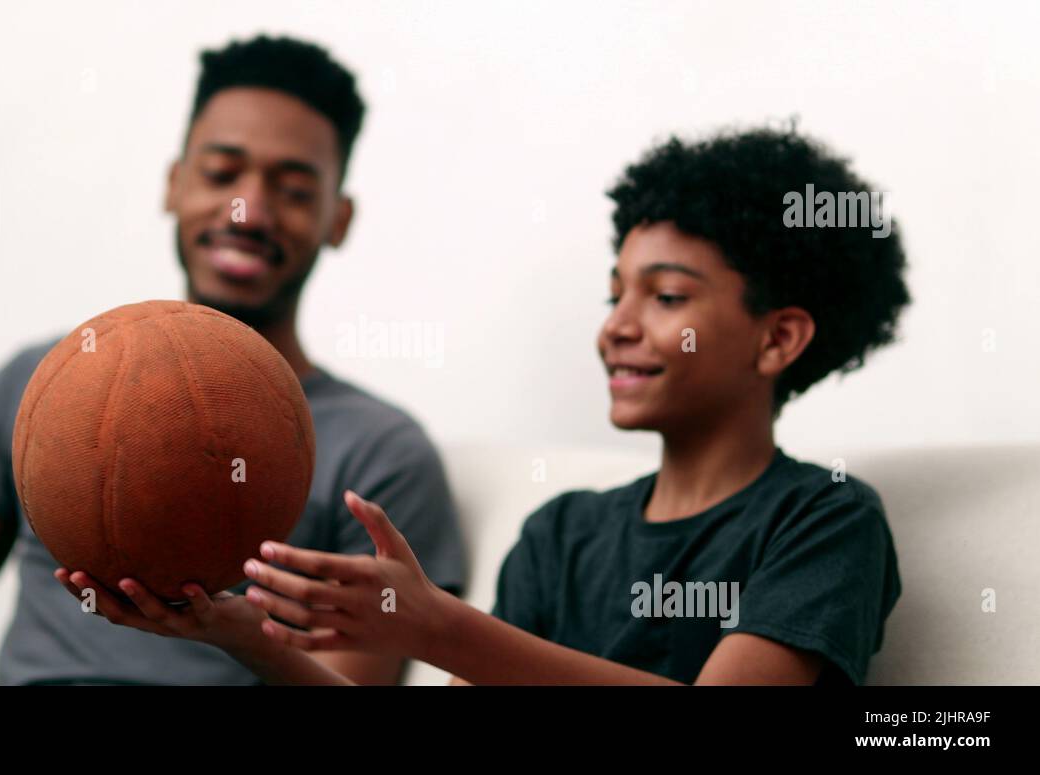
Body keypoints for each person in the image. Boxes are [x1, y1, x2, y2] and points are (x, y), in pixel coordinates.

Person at [67, 126, 909, 685]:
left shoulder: (823, 520)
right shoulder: (561, 532)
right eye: (615, 293)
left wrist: (436, 625)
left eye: (667, 297)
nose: (615, 326)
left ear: (778, 340)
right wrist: (242, 635)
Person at [0, 35, 466, 686]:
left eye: (293, 190)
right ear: (173, 185)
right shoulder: (49, 386)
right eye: (220, 173)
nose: (248, 209)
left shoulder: (381, 454)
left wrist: (244, 638)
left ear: (338, 220)